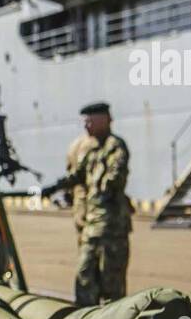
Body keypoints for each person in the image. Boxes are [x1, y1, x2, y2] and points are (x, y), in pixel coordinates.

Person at [43, 102, 132, 305]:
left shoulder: (115, 147)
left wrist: (104, 189)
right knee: (84, 276)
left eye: (90, 122)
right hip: (92, 225)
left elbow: (115, 178)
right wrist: (55, 186)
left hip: (111, 227)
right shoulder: (90, 149)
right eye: (85, 122)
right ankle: (84, 318)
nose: (86, 127)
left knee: (112, 281)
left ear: (105, 120)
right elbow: (78, 174)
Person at [63, 131, 98, 247]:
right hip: (92, 197)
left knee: (82, 235)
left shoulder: (74, 144)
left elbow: (69, 171)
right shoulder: (94, 143)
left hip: (78, 198)